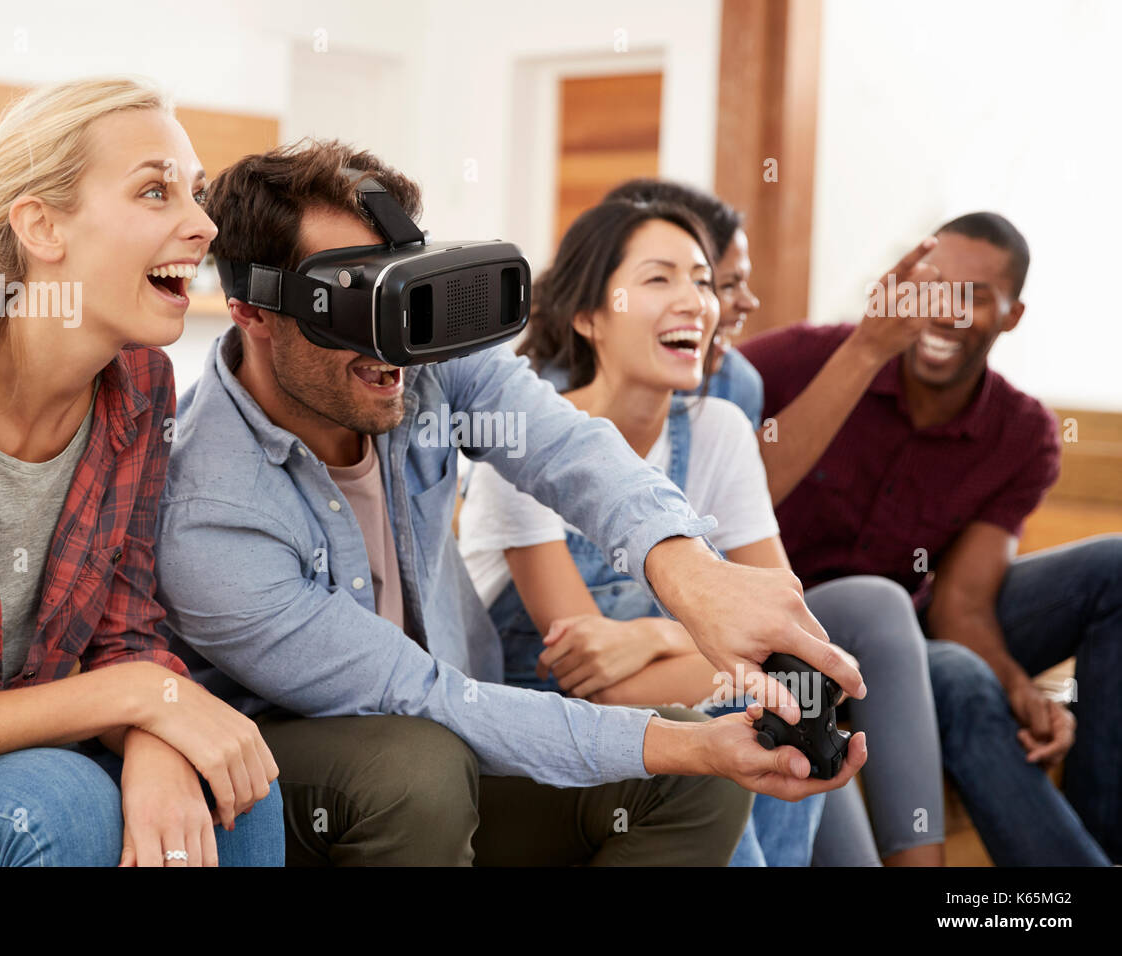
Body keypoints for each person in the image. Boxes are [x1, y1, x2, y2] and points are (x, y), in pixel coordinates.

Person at [154, 138, 866, 866]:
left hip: (453, 744)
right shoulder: (207, 509)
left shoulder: (410, 357)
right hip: (301, 785)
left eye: (397, 284)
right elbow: (417, 697)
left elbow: (564, 446)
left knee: (698, 785)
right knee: (416, 767)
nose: (395, 346)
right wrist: (682, 742)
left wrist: (692, 576)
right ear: (253, 313)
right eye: (352, 299)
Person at [0, 77, 282, 867]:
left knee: (236, 797)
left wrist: (157, 731)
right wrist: (135, 698)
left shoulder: (142, 382)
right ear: (41, 225)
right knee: (58, 805)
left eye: (196, 193)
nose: (203, 224)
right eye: (154, 191)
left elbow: (126, 634)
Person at [458, 197, 944, 866]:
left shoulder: (719, 430)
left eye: (703, 281)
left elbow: (787, 625)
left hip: (689, 696)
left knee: (780, 711)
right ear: (588, 316)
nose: (696, 301)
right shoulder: (520, 453)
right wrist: (751, 665)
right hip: (552, 732)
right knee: (759, 706)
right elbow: (590, 677)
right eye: (659, 279)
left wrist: (656, 635)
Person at [739, 211, 1117, 865]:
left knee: (1112, 567)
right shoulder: (802, 360)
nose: (944, 312)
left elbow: (961, 604)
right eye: (931, 287)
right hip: (780, 635)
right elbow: (701, 459)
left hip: (904, 636)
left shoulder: (1021, 434)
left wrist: (1023, 689)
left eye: (972, 296)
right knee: (960, 676)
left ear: (1012, 315)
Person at [603, 179, 764, 428]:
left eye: (702, 281)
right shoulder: (547, 400)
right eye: (728, 284)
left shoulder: (736, 386)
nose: (750, 303)